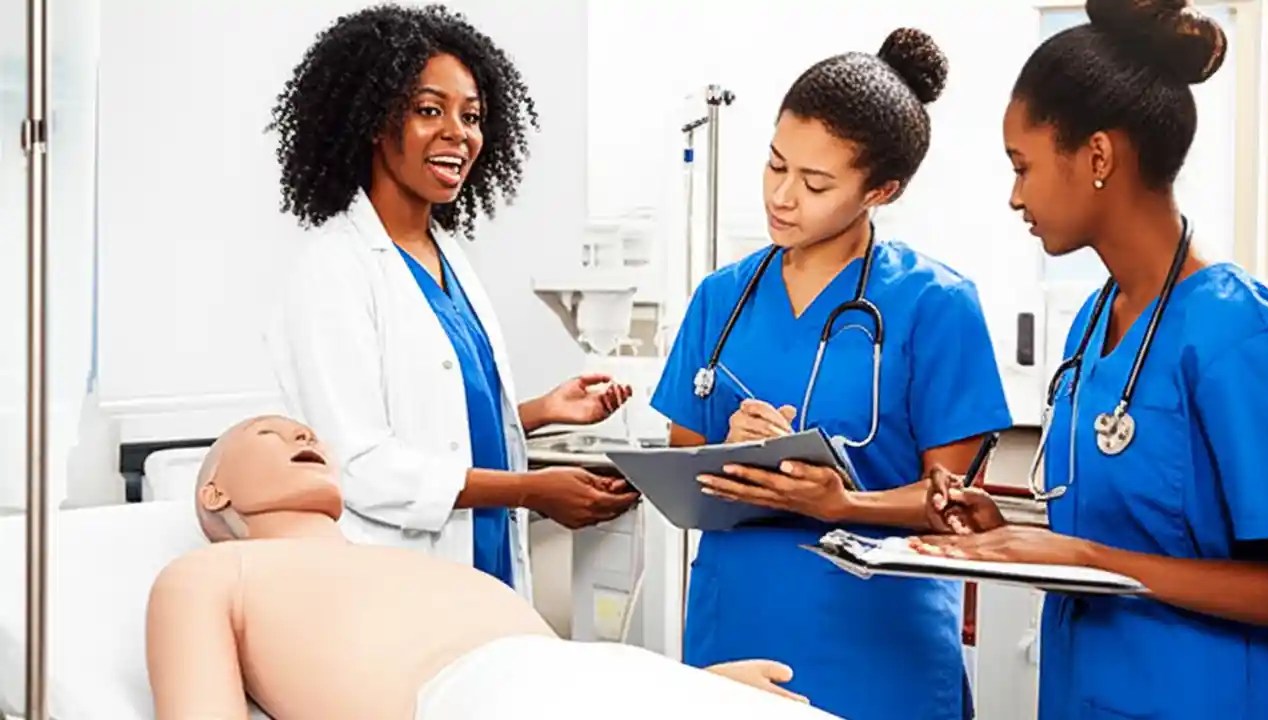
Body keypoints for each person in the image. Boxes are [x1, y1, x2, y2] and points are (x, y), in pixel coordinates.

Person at [910, 2, 1268, 719]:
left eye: (1024, 166)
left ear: (1099, 157)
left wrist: (1091, 561)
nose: (1015, 196)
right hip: (1084, 693)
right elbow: (1126, 531)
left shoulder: (1237, 334)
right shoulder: (1092, 322)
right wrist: (1012, 532)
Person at [648, 27, 1012, 720]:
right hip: (734, 630)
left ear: (882, 188)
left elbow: (954, 505)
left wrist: (842, 504)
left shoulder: (935, 304)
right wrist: (731, 450)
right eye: (775, 165)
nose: (783, 197)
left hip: (876, 644)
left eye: (815, 182)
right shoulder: (722, 299)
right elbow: (681, 461)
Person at [263, 4, 638, 601]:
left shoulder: (448, 257)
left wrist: (539, 411)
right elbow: (362, 466)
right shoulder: (335, 268)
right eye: (428, 110)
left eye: (472, 116)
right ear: (374, 121)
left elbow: (435, 419)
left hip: (485, 564)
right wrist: (529, 490)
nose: (457, 134)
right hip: (395, 580)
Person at [145, 415, 841, 720]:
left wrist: (688, 687)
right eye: (270, 433)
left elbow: (561, 674)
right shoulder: (215, 573)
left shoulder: (399, 568)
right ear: (214, 493)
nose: (302, 434)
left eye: (307, 432)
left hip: (606, 678)